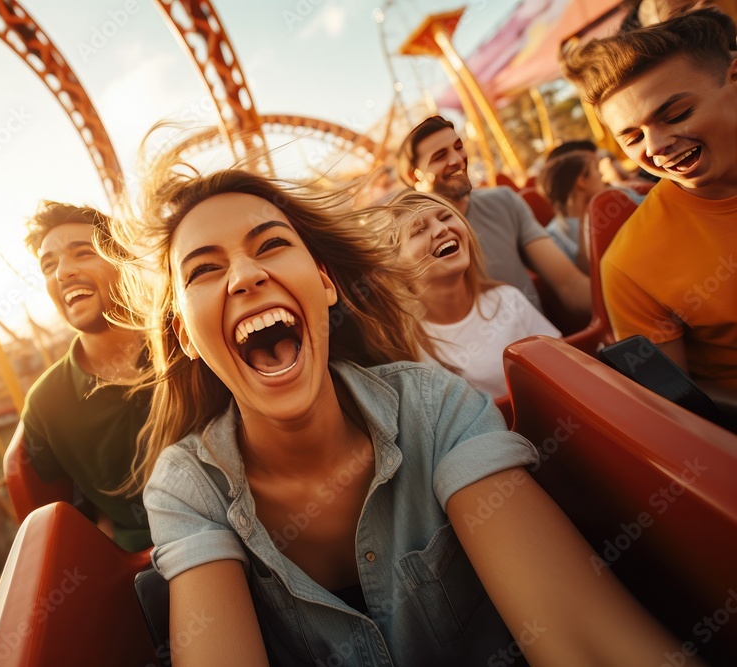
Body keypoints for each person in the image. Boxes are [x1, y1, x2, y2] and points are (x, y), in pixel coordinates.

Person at [107, 139, 689, 665]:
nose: (244, 275)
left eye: (272, 245)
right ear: (185, 335)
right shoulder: (187, 487)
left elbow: (588, 642)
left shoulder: (437, 409)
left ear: (325, 283)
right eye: (204, 269)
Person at [563, 8, 737, 401]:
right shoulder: (630, 264)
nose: (656, 147)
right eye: (632, 138)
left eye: (676, 114)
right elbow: (681, 413)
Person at [20, 201, 151, 551]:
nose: (63, 271)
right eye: (50, 265)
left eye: (82, 253)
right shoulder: (46, 403)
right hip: (148, 574)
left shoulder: (187, 344)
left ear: (122, 262)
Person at [397, 116, 592, 321]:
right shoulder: (409, 242)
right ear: (414, 176)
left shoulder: (504, 201)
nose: (456, 159)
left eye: (458, 147)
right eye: (439, 156)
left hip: (541, 343)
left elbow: (569, 284)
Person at [391, 191, 560, 399]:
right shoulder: (401, 348)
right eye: (418, 230)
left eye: (445, 217)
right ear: (396, 264)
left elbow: (567, 371)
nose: (442, 229)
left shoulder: (508, 299)